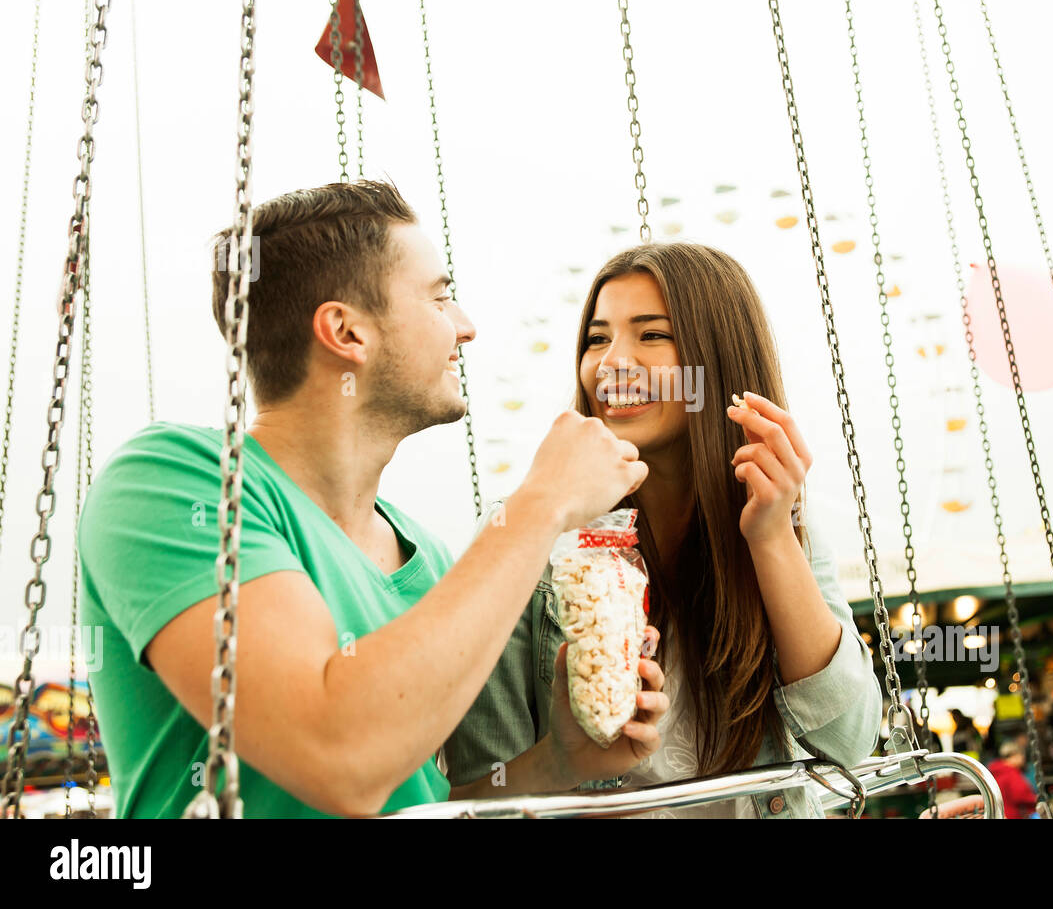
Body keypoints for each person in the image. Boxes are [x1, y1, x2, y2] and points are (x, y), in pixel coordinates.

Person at [76, 181, 668, 818]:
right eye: (441, 299)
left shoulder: (426, 557)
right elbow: (340, 758)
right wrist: (543, 502)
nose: (465, 328)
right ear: (346, 332)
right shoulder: (171, 480)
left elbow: (416, 807)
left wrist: (558, 763)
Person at [444, 242, 882, 818]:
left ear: (716, 362)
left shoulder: (780, 525)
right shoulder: (529, 532)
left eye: (651, 335)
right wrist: (565, 757)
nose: (612, 363)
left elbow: (847, 740)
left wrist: (771, 536)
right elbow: (480, 797)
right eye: (597, 339)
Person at [986, 740, 1039, 819]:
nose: (1023, 758)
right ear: (1014, 755)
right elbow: (1021, 795)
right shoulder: (1011, 773)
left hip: (998, 815)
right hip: (1013, 815)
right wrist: (1037, 799)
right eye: (1021, 755)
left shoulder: (995, 772)